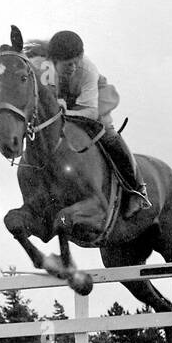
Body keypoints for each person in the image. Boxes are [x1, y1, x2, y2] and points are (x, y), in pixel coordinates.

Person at [44, 29, 149, 220]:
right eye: (68, 65)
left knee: (108, 133)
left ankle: (137, 189)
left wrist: (64, 112)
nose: (74, 68)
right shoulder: (44, 69)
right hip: (66, 106)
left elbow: (90, 113)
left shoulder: (88, 70)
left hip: (95, 103)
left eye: (77, 61)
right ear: (53, 61)